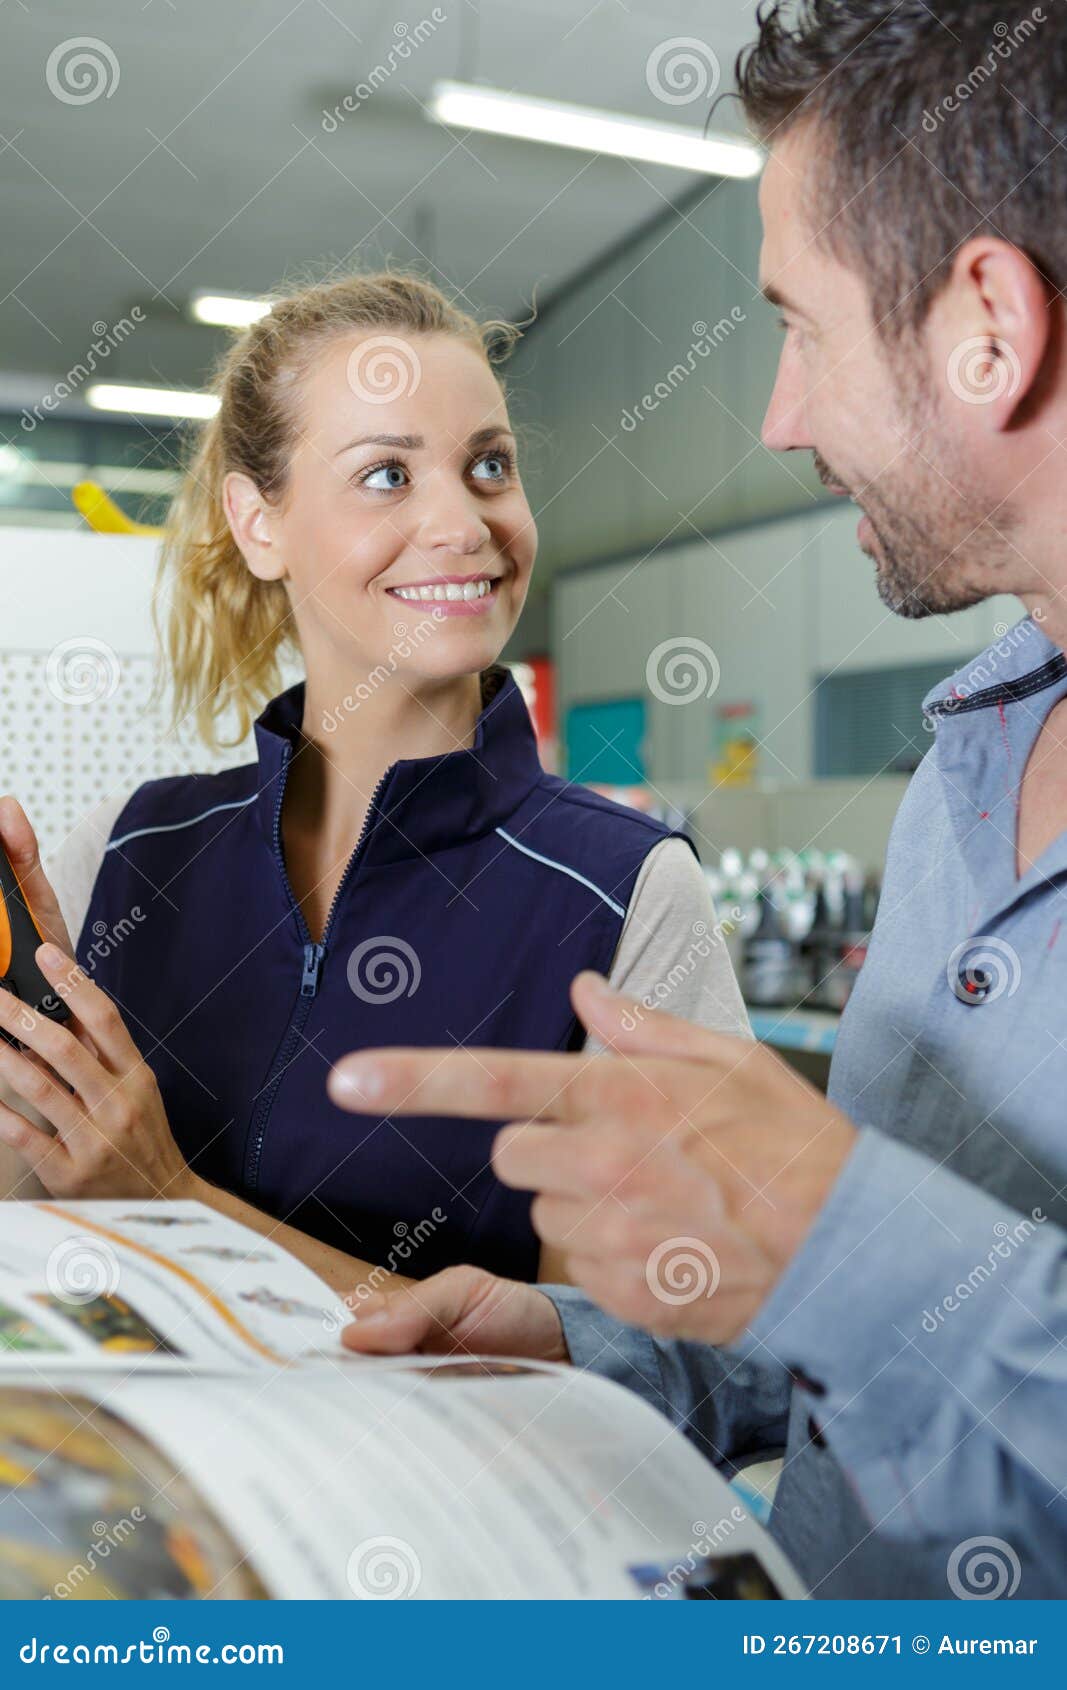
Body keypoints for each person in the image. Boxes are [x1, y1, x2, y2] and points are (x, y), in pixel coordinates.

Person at [333, 1, 1067, 1599]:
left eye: (795, 327)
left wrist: (830, 1219)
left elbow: (874, 1274)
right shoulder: (972, 759)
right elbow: (866, 1352)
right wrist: (594, 1341)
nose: (776, 417)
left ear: (987, 329)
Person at [0, 272, 746, 1294]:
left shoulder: (625, 895)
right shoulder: (127, 852)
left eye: (488, 466)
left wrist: (176, 1200)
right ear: (258, 523)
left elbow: (615, 1371)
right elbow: (31, 1236)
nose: (463, 523)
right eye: (387, 476)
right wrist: (27, 1057)